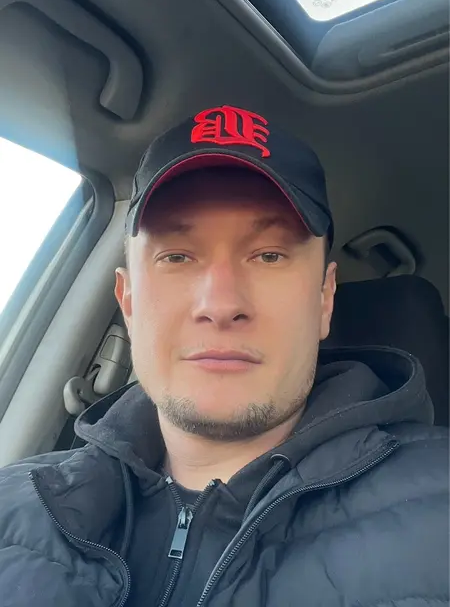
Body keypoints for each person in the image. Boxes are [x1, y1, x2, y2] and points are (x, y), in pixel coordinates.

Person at [0, 105, 448, 607]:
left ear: (324, 299)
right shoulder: (13, 508)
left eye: (269, 255)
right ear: (128, 302)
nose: (220, 304)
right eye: (176, 256)